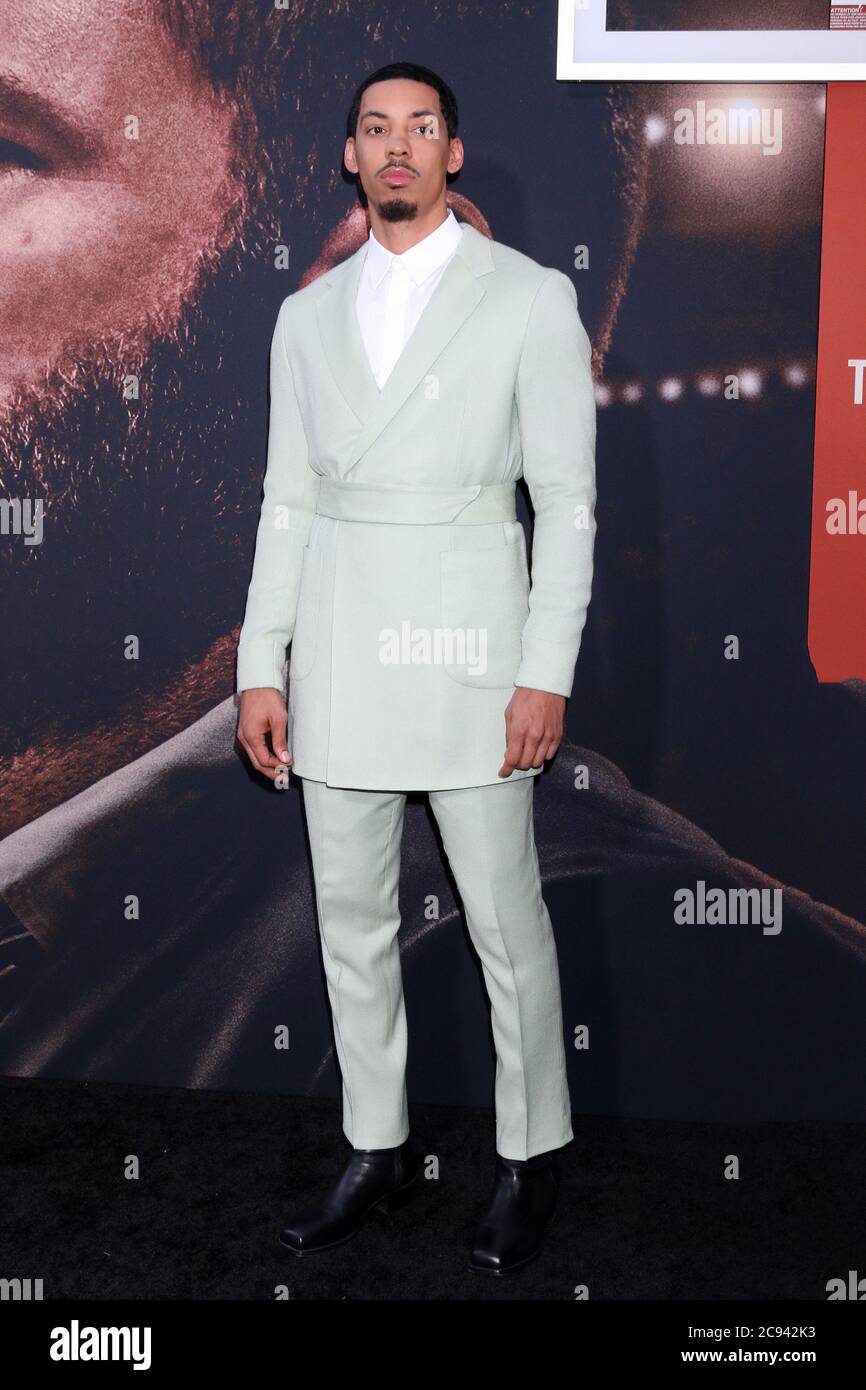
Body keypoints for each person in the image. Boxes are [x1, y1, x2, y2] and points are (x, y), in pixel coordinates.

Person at [235, 61, 597, 1276]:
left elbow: (567, 504)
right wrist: (258, 666)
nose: (397, 148)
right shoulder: (303, 318)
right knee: (350, 924)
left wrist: (543, 669)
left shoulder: (529, 299)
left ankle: (528, 1157)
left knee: (505, 922)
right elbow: (285, 502)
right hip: (337, 653)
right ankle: (374, 1148)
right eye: (375, 130)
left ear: (452, 151)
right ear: (349, 156)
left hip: (472, 660)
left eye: (420, 129)